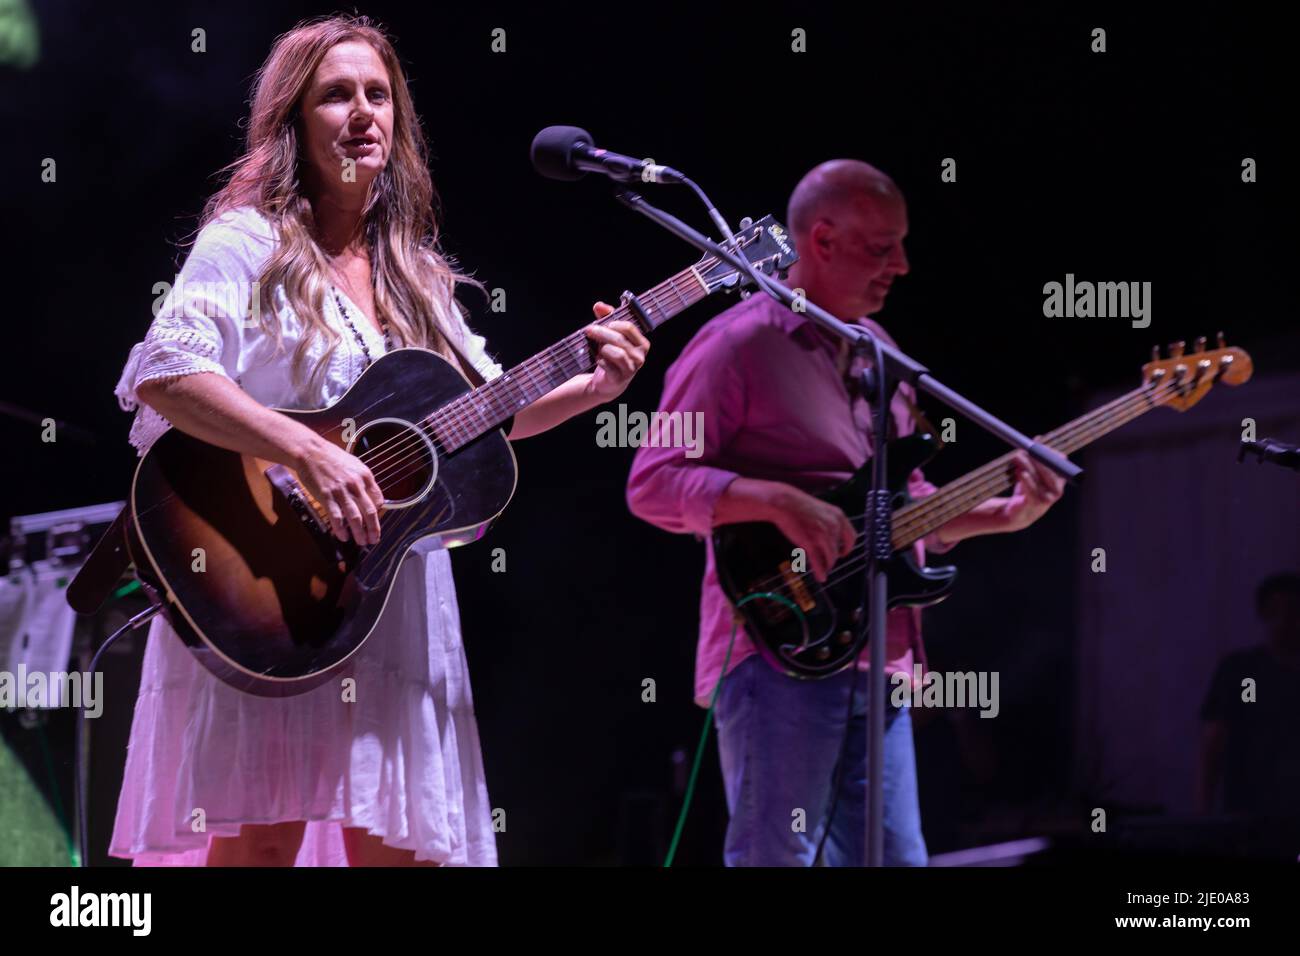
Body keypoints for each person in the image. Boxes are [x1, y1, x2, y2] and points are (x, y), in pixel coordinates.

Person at [109, 14, 649, 867]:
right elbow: (168, 375)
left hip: (387, 604)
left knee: (399, 850)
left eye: (378, 95)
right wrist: (307, 449)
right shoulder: (246, 244)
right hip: (270, 577)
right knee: (258, 844)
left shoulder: (416, 272)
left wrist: (594, 389)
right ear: (292, 119)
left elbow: (487, 412)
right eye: (335, 95)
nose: (362, 113)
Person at [625, 159, 1064, 866]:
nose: (903, 265)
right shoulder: (736, 344)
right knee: (779, 857)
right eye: (881, 246)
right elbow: (653, 481)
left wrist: (1006, 513)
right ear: (821, 240)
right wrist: (774, 499)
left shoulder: (882, 353)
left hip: (879, 653)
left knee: (896, 860)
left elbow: (899, 510)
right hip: (777, 648)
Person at [1198, 572, 1300, 831]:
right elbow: (1213, 744)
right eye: (1276, 611)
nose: (1285, 621)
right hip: (1247, 816)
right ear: (1263, 615)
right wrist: (1202, 813)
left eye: (1293, 611)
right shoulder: (1239, 669)